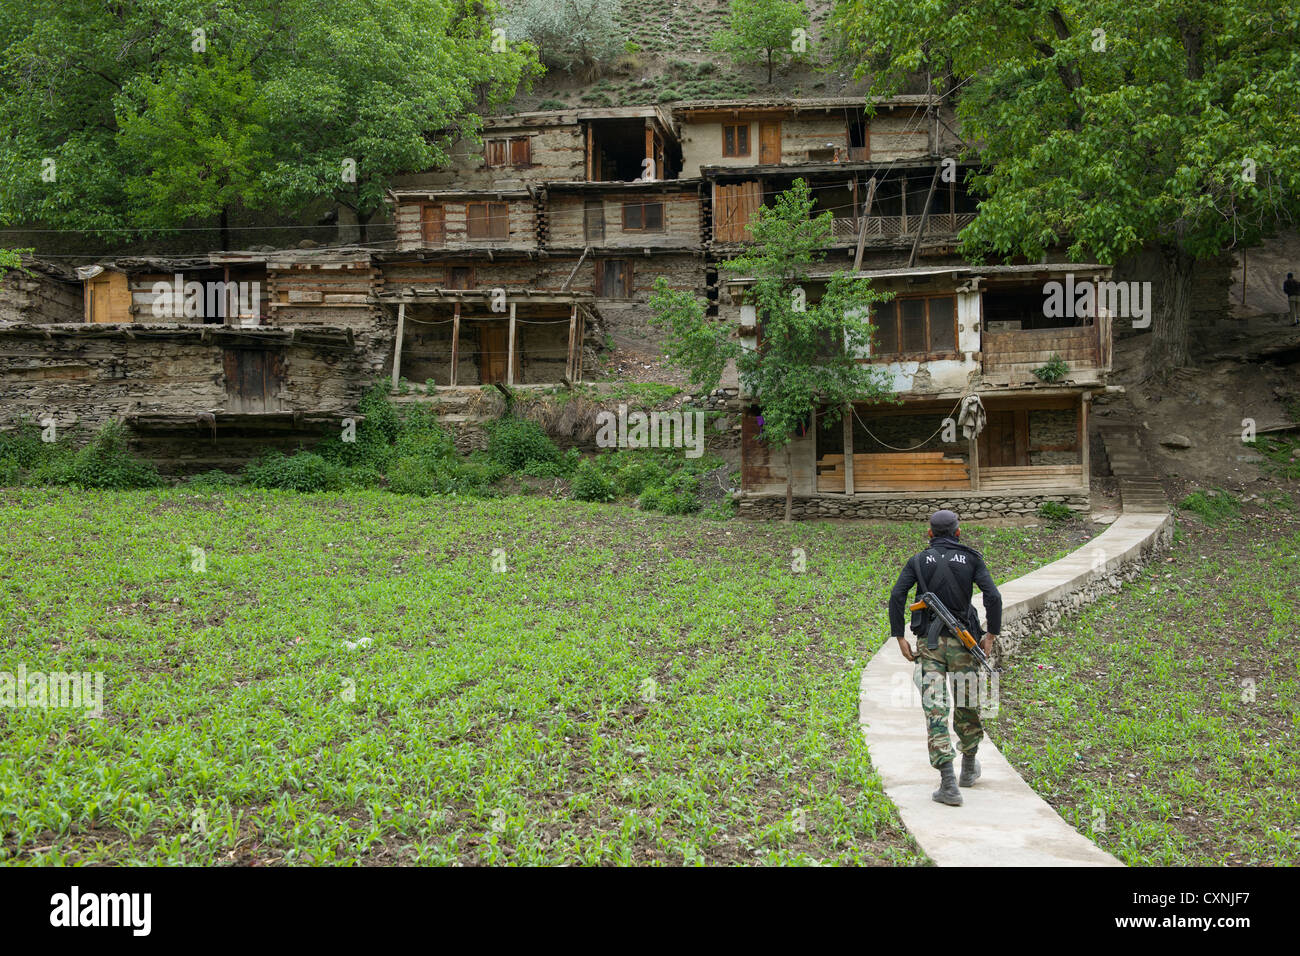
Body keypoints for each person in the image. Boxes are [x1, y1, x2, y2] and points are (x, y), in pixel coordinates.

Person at [888, 509, 1002, 806]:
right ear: (958, 532)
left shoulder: (917, 561)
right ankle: (968, 767)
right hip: (965, 645)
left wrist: (899, 636)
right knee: (967, 702)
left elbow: (897, 596)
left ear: (929, 533)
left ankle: (948, 782)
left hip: (930, 645)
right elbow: (993, 596)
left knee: (935, 707)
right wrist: (989, 636)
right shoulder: (972, 558)